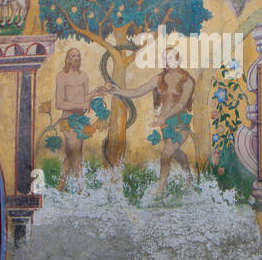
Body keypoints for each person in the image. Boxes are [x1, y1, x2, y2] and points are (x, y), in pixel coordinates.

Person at [108, 47, 196, 196]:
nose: (166, 62)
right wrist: (119, 91)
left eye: (169, 58)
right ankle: (189, 177)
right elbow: (138, 91)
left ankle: (160, 190)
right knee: (173, 153)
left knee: (166, 153)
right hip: (165, 126)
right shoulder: (159, 79)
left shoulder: (187, 80)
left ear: (178, 60)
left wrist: (164, 117)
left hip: (180, 124)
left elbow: (181, 104)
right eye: (164, 58)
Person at [53, 48, 107, 191]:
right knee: (76, 154)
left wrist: (96, 93)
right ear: (68, 59)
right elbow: (58, 103)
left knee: (71, 154)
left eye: (78, 55)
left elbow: (84, 99)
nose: (76, 58)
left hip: (81, 119)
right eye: (73, 56)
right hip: (68, 119)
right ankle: (81, 189)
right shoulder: (62, 76)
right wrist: (80, 105)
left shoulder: (84, 76)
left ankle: (60, 187)